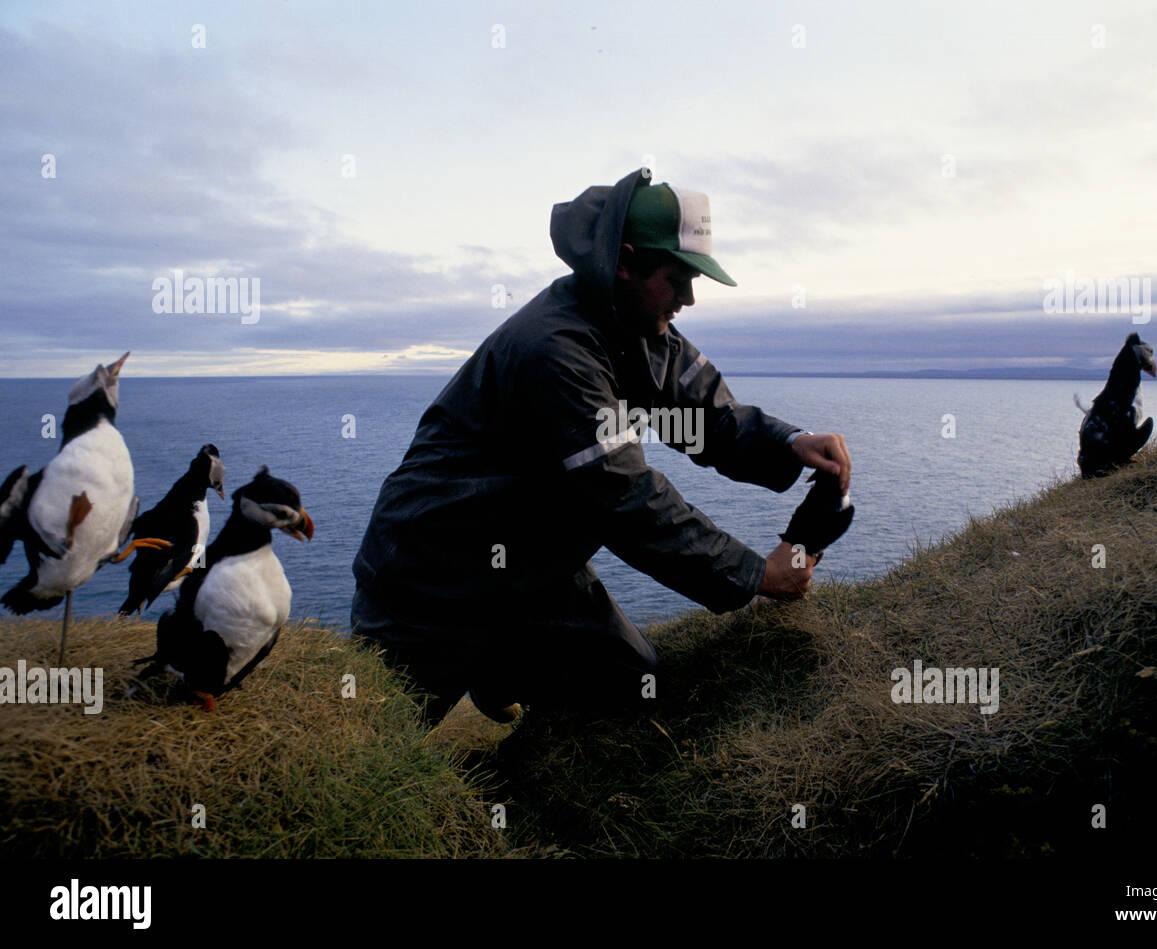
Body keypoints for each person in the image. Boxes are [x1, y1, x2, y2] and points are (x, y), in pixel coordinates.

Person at [350, 168, 851, 725]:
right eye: (679, 276)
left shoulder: (642, 326)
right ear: (626, 261)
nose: (688, 297)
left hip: (533, 570)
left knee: (636, 686)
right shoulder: (555, 350)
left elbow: (708, 418)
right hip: (433, 578)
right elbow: (625, 497)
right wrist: (755, 574)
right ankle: (492, 663)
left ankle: (504, 669)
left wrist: (791, 443)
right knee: (376, 743)